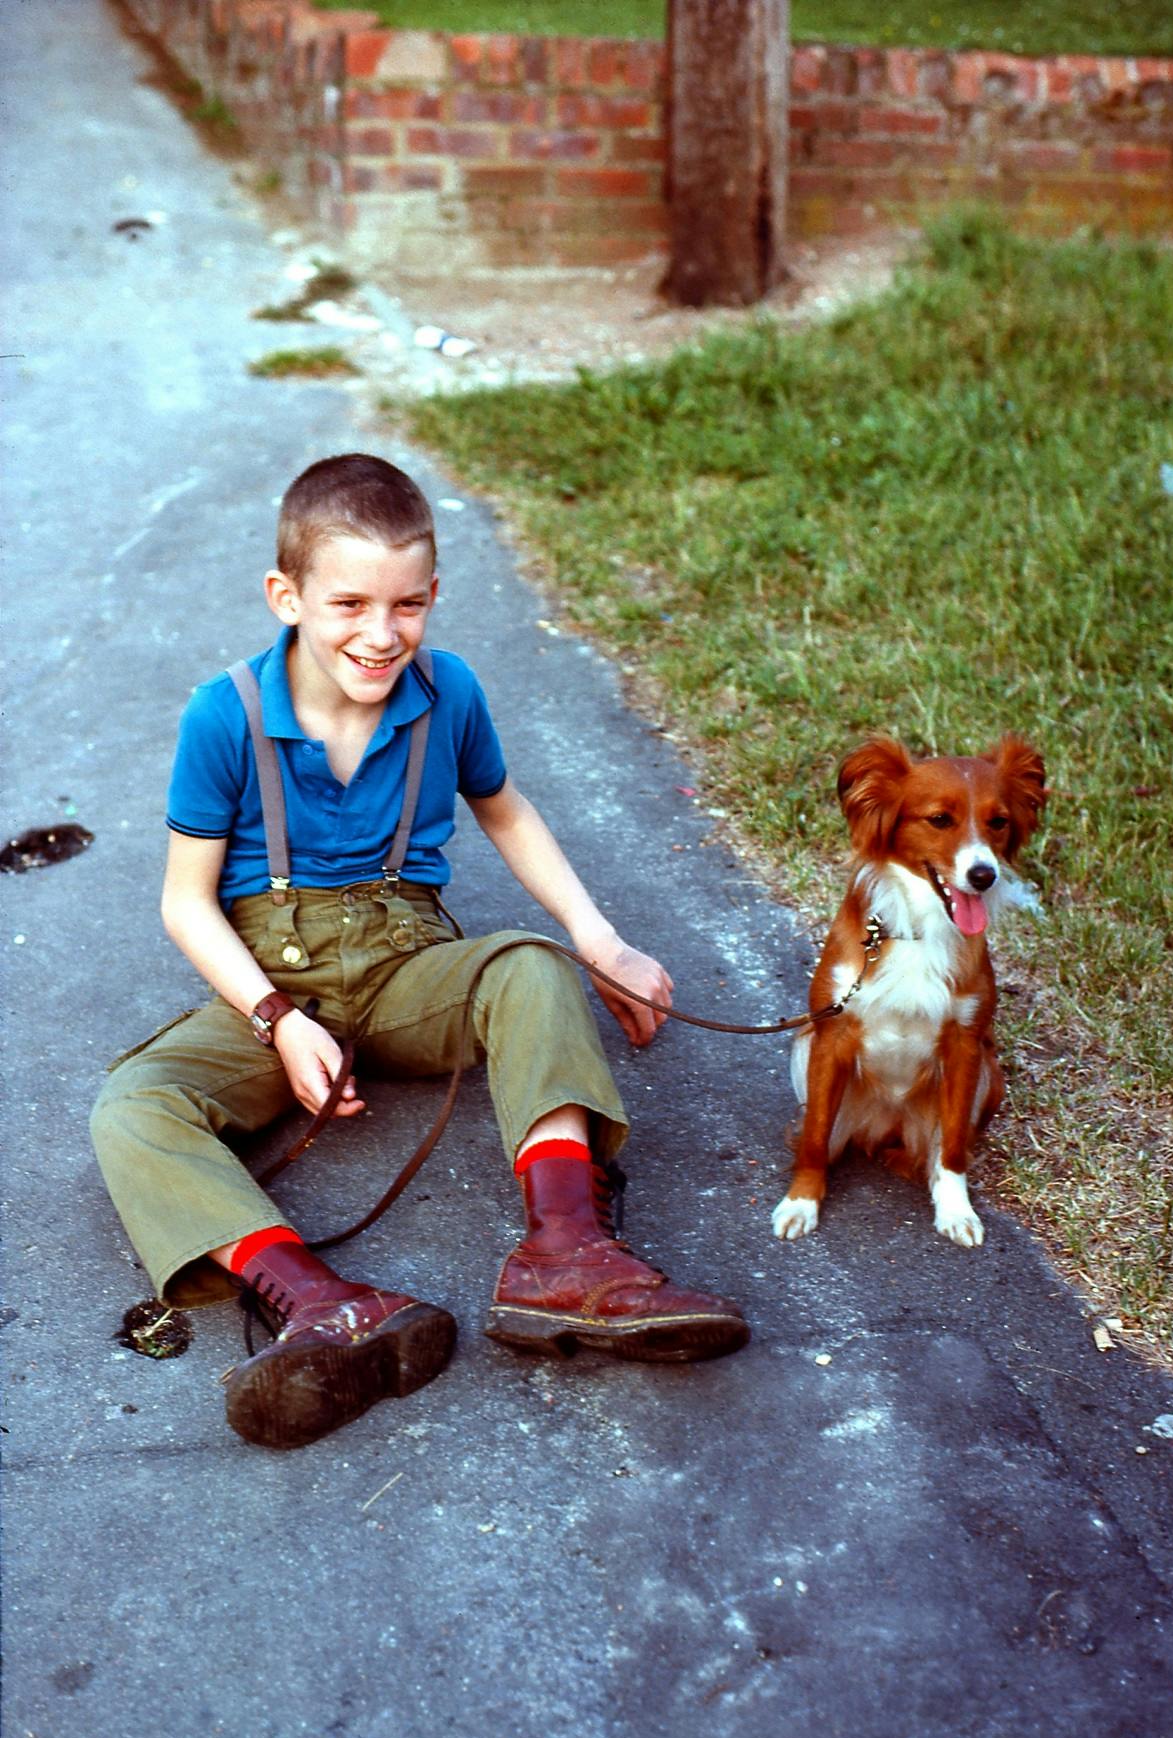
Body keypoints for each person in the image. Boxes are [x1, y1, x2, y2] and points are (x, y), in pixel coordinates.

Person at [91, 454, 748, 1450]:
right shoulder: (222, 714)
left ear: (434, 594)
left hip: (407, 965)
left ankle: (566, 1253)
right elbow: (186, 904)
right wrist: (276, 1022)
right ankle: (322, 1305)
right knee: (132, 1106)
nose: (380, 632)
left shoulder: (447, 693)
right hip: (268, 982)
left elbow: (506, 812)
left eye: (406, 604)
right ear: (287, 596)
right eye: (348, 602)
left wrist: (599, 939)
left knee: (528, 963)